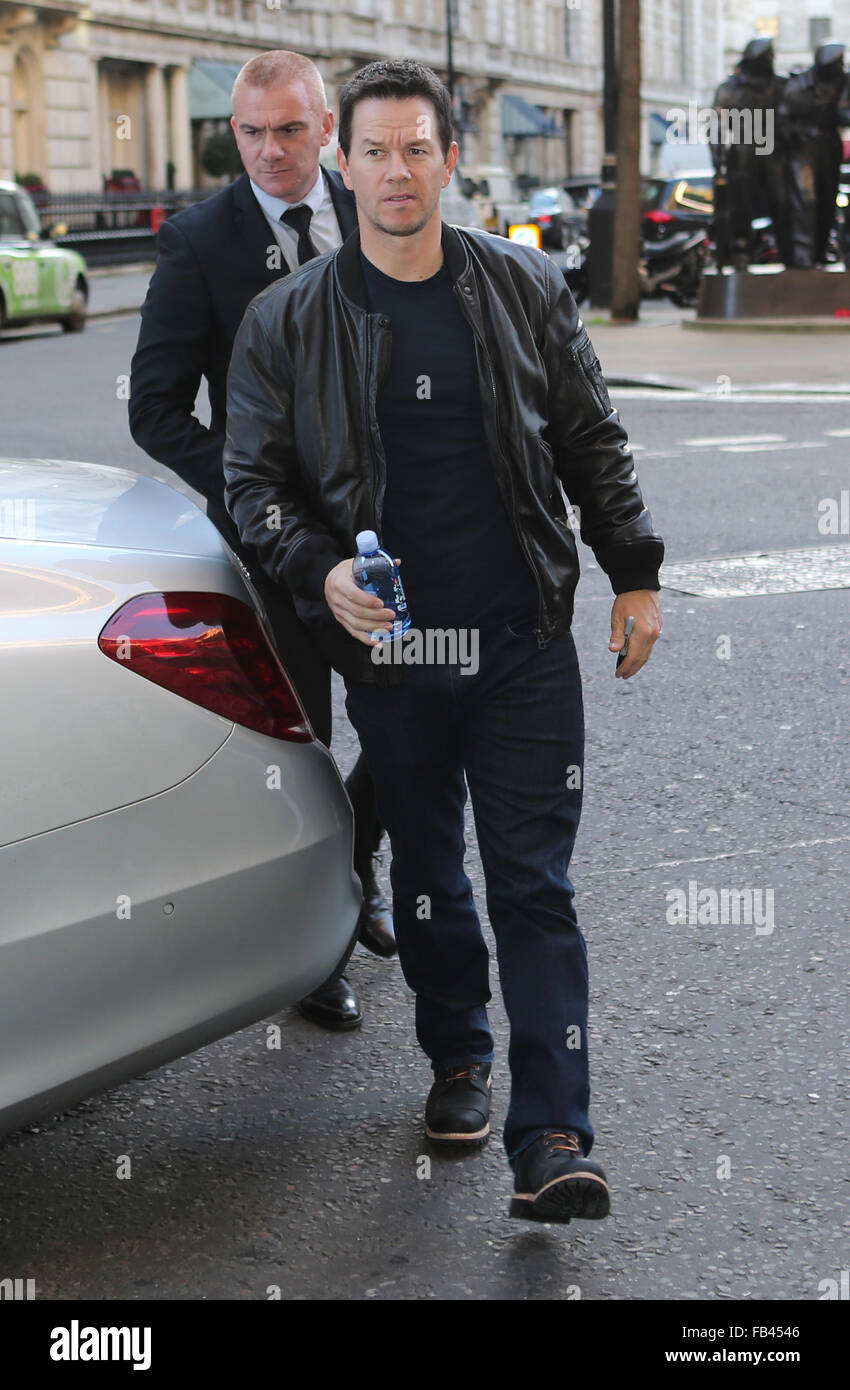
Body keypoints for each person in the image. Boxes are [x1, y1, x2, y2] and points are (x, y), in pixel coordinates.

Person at [223, 59, 664, 1223]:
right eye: (374, 151)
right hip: (399, 656)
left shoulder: (522, 289)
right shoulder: (288, 319)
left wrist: (635, 574)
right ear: (342, 162)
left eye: (418, 149)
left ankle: (554, 1131)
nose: (396, 171)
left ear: (447, 160)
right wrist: (319, 570)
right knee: (425, 876)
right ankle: (459, 1056)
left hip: (518, 639)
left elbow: (589, 438)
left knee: (534, 883)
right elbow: (252, 484)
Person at [129, 51, 396, 1033]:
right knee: (303, 745)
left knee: (421, 719)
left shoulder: (379, 204)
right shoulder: (198, 241)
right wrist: (245, 493)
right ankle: (314, 949)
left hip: (389, 532)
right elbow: (153, 409)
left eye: (289, 129)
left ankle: (356, 863)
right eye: (250, 133)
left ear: (326, 128)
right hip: (271, 543)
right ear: (231, 135)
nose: (270, 151)